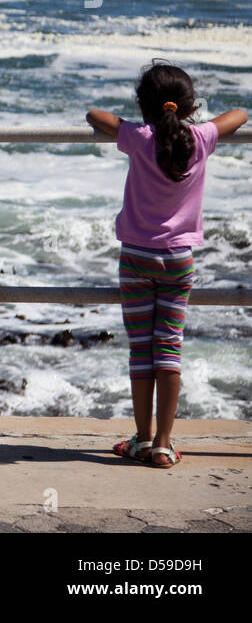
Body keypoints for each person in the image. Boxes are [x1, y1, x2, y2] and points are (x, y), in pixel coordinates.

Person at [87, 61, 246, 469]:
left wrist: (138, 120)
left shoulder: (139, 138)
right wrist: (199, 120)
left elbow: (94, 116)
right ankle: (163, 443)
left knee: (141, 350)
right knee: (169, 348)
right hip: (178, 260)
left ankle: (140, 439)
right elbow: (242, 114)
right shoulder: (202, 137)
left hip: (136, 257)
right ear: (189, 108)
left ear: (145, 108)